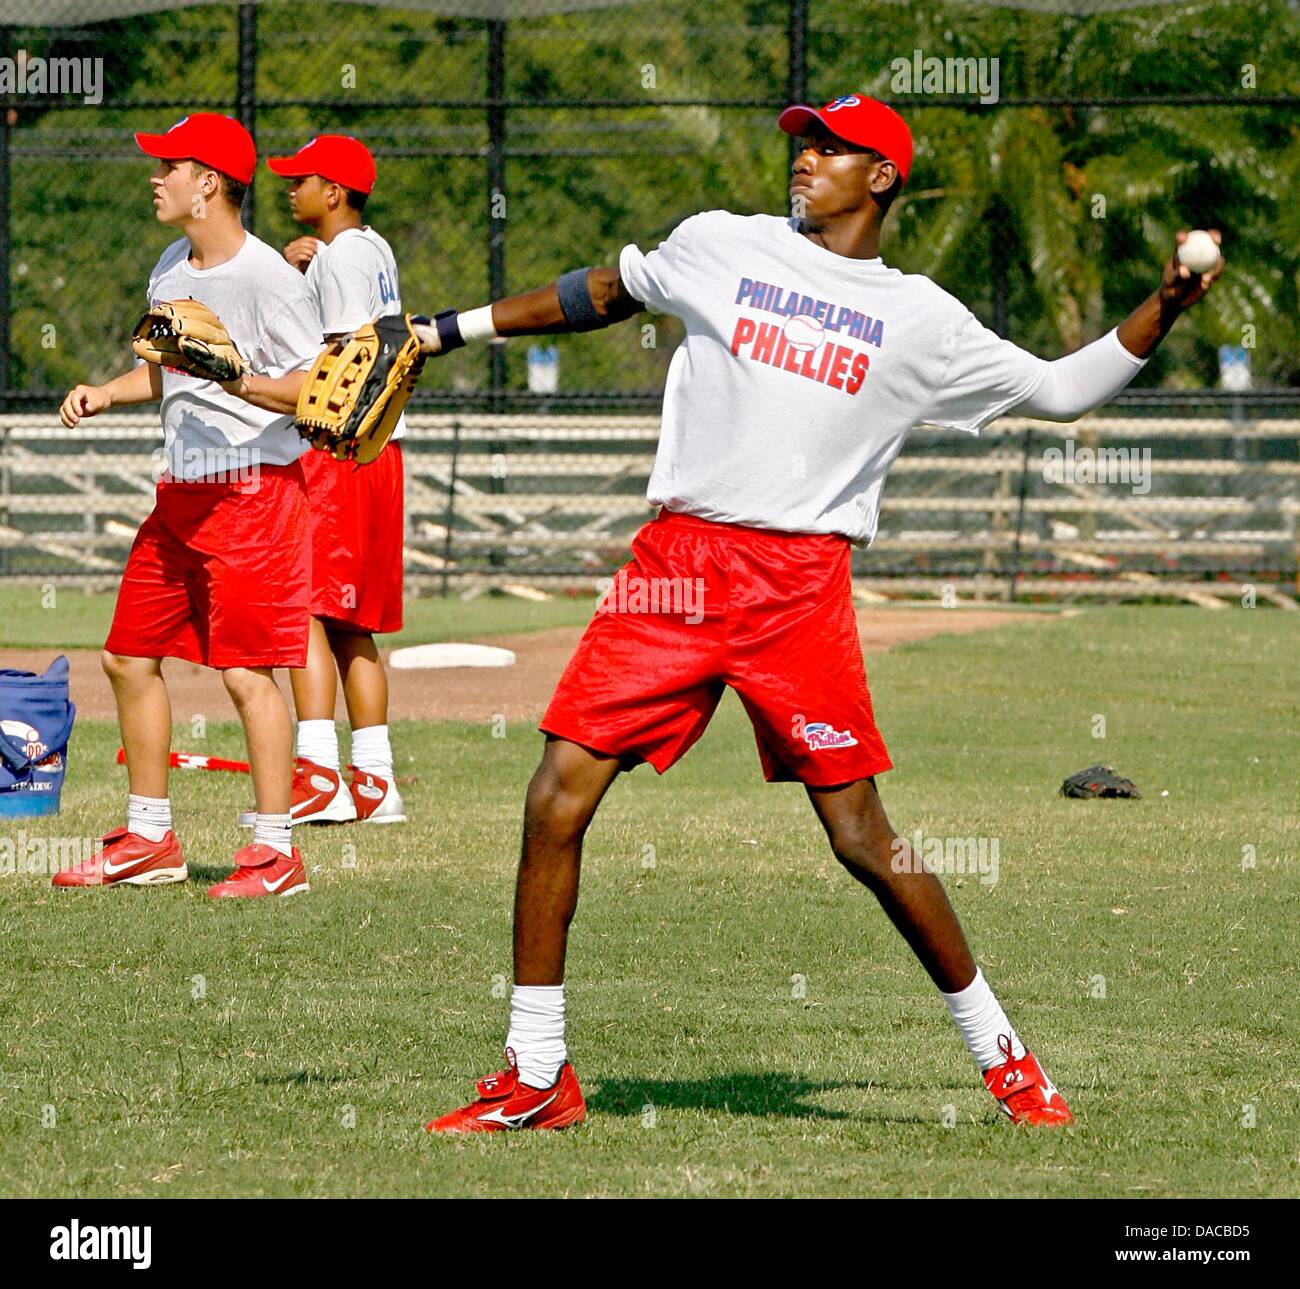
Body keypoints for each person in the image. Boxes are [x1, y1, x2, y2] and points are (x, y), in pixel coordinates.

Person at [413, 94, 1224, 1131]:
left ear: (881, 176)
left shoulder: (920, 316)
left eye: (833, 148)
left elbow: (1063, 392)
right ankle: (536, 1073)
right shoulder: (720, 243)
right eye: (804, 143)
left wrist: (1163, 304)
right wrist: (445, 330)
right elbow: (606, 290)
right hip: (678, 563)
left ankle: (1004, 1054)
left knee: (861, 836)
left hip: (796, 585)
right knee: (554, 796)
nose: (807, 158)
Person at [54, 113, 325, 898]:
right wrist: (108, 390)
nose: (155, 176)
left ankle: (276, 853)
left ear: (208, 183)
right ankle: (148, 840)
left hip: (254, 491)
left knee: (245, 673)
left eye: (168, 165)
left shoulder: (269, 277)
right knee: (128, 656)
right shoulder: (173, 262)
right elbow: (170, 369)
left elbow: (315, 388)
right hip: (181, 491)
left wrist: (235, 378)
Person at [242, 134, 408, 827]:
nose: (289, 188)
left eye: (301, 179)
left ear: (333, 192)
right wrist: (300, 267)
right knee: (353, 624)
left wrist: (245, 383)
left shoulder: (341, 258)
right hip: (382, 451)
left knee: (303, 609)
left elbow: (334, 365)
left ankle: (316, 775)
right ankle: (374, 781)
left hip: (338, 450)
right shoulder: (372, 250)